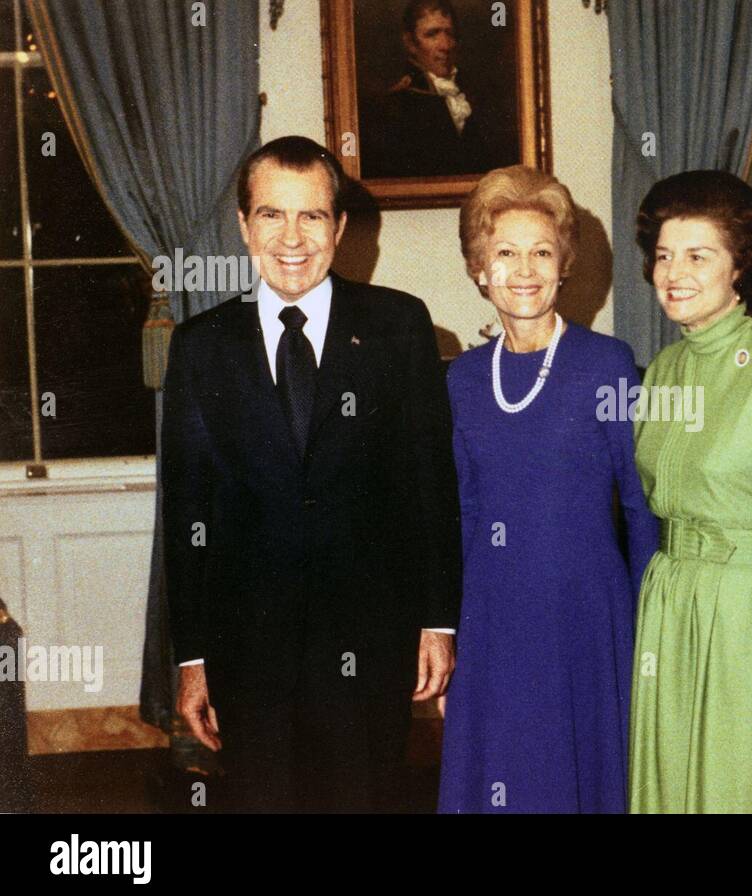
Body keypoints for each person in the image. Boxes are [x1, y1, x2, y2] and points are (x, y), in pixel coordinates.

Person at [162, 135, 462, 812]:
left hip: (371, 641)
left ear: (341, 227)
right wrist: (191, 659)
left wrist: (437, 620)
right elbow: (187, 513)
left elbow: (429, 486)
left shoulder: (398, 327)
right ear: (243, 226)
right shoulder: (201, 347)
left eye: (313, 216)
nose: (292, 237)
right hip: (248, 648)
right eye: (272, 214)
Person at [436, 165, 658, 813]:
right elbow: (464, 517)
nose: (524, 269)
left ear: (564, 266)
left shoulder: (607, 365)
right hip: (494, 622)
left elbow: (642, 514)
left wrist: (650, 639)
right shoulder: (463, 381)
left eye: (541, 252)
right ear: (479, 268)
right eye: (504, 252)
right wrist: (452, 642)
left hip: (591, 620)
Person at [628, 170, 752, 813]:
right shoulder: (661, 369)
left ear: (741, 267)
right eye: (663, 255)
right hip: (671, 602)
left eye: (697, 255)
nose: (672, 272)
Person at [361, 0, 507, 179]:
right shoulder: (395, 105)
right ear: (410, 43)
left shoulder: (474, 94)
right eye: (432, 34)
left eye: (450, 34)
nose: (445, 45)